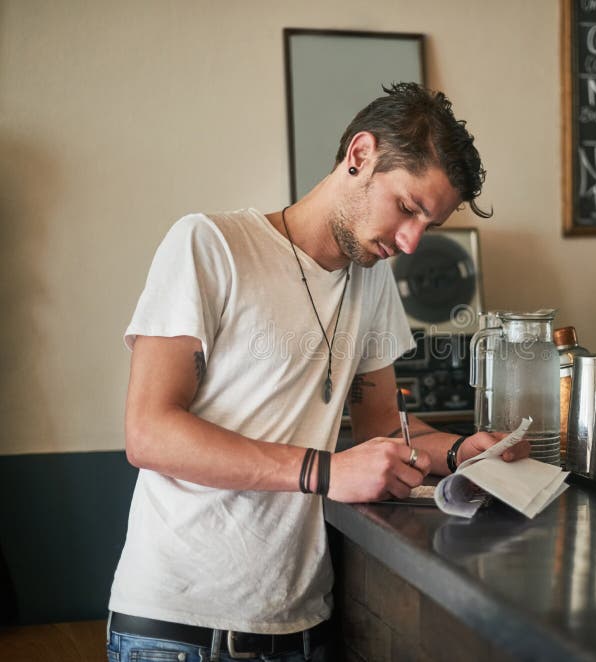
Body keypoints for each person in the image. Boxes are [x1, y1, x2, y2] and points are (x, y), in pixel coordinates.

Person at [107, 82, 528, 662]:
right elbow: (148, 433)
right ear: (359, 156)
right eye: (407, 208)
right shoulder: (209, 244)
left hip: (305, 623)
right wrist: (326, 471)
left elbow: (382, 427)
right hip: (183, 628)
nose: (410, 243)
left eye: (427, 226)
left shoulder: (372, 280)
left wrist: (461, 452)